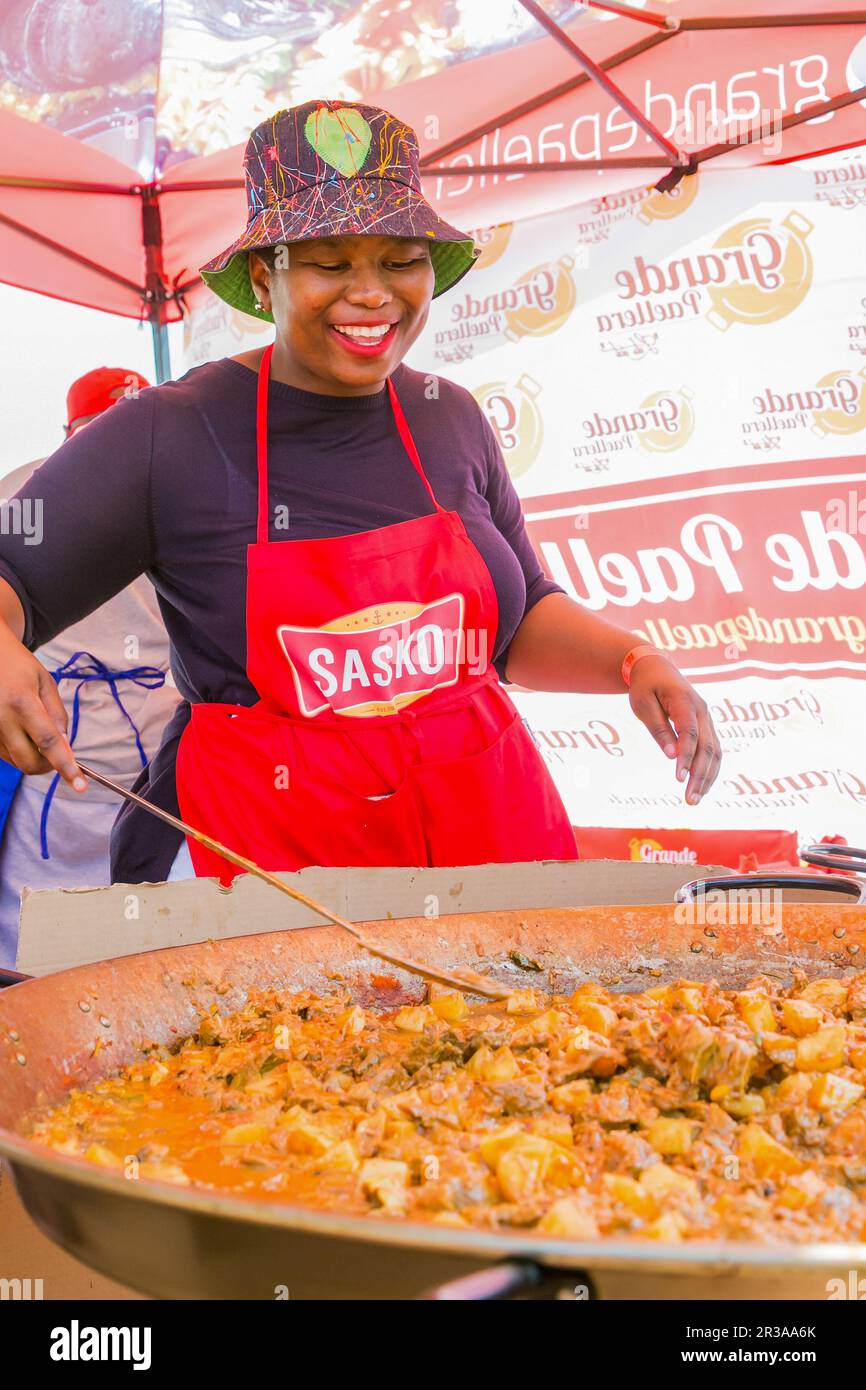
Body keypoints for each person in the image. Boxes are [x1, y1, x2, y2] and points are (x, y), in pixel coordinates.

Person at [0, 100, 720, 894]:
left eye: (400, 260)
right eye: (331, 264)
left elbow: (516, 627)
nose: (373, 294)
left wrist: (633, 660)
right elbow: (14, 582)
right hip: (274, 870)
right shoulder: (169, 434)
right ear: (266, 275)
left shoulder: (450, 417)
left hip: (487, 846)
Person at [0, 368, 179, 964]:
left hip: (136, 761)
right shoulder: (22, 491)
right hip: (56, 758)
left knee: (49, 945)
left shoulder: (25, 488)